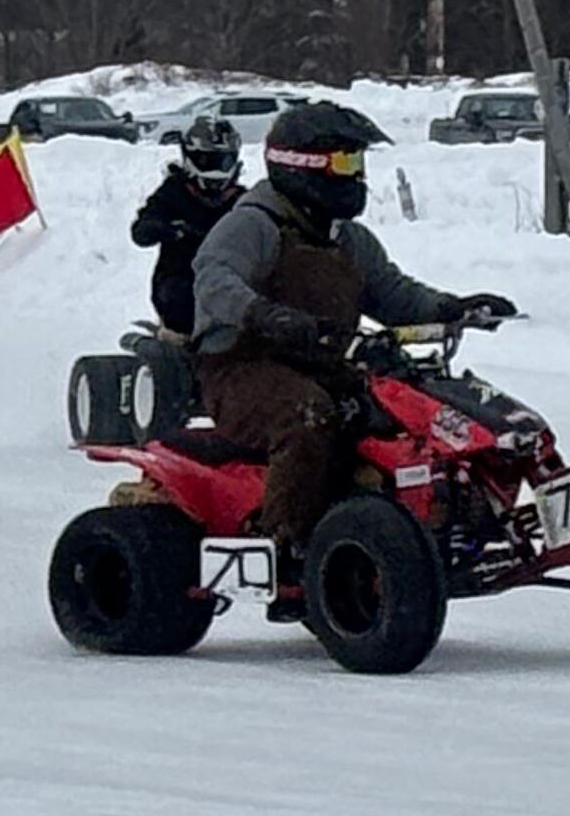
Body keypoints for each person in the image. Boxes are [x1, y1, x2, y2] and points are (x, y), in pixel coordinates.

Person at [190, 100, 516, 587]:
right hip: (242, 369)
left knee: (406, 415)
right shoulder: (253, 224)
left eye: (358, 164)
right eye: (346, 163)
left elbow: (393, 294)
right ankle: (282, 544)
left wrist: (451, 307)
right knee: (311, 416)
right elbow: (213, 279)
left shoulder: (349, 239)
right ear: (301, 166)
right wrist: (264, 314)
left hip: (321, 363)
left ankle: (433, 519)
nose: (357, 176)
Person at [130, 113, 244, 337]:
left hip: (235, 282)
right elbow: (140, 231)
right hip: (183, 283)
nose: (216, 171)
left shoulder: (243, 201)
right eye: (207, 161)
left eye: (223, 162)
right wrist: (171, 229)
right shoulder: (174, 193)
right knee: (180, 303)